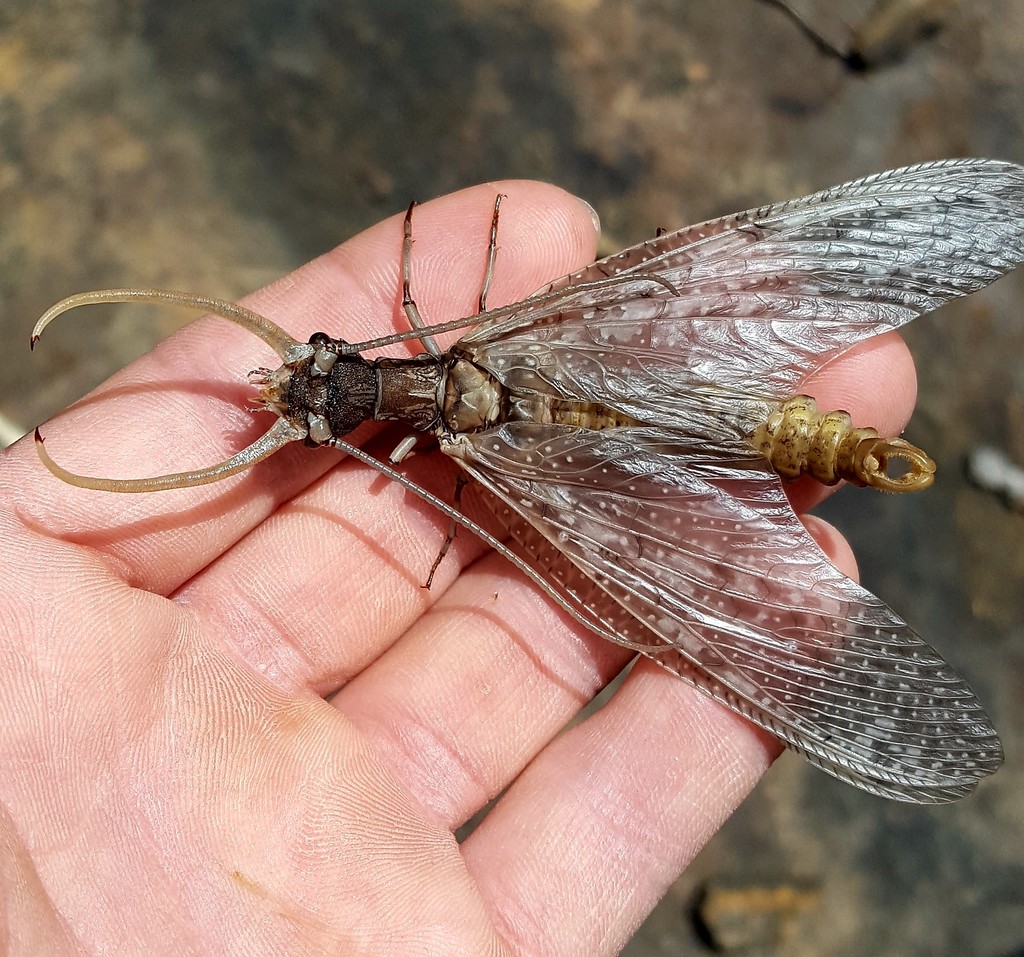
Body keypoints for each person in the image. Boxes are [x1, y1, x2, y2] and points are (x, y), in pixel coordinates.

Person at [0, 181, 913, 955]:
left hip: (742, 429)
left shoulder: (448, 426)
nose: (329, 388)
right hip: (718, 426)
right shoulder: (470, 379)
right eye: (327, 405)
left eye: (328, 378)